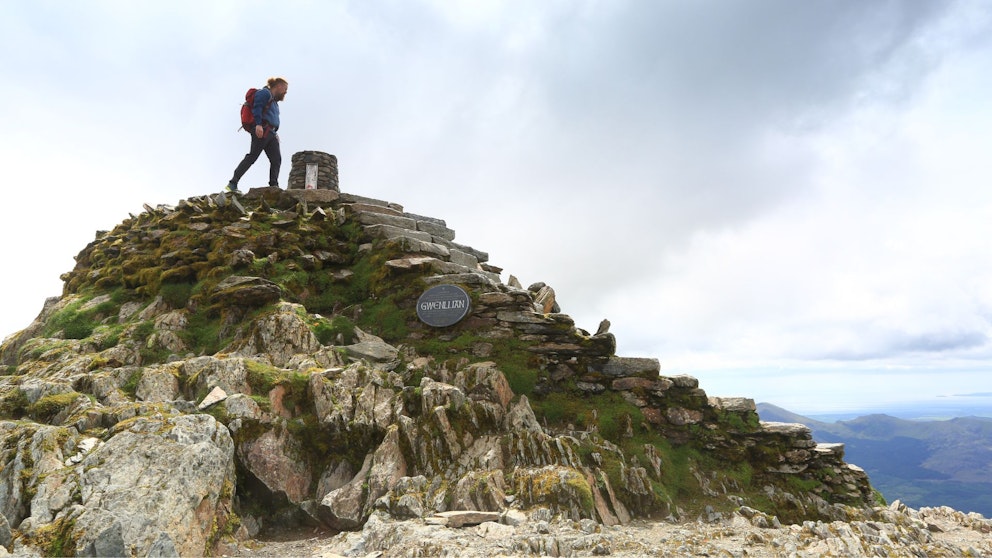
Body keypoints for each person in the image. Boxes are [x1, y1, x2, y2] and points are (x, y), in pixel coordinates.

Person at [226, 77, 289, 192]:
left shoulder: (274, 102)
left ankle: (274, 186)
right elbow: (257, 108)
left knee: (276, 159)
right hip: (262, 130)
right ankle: (233, 183)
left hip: (271, 133)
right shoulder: (265, 93)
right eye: (285, 89)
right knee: (252, 157)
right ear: (279, 86)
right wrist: (258, 125)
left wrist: (275, 132)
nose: (285, 92)